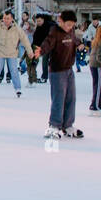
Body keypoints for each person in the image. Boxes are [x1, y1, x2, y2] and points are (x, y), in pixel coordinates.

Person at [34, 9, 82, 139]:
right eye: (68, 25)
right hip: (57, 71)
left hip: (69, 69)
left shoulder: (70, 31)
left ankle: (68, 125)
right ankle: (54, 126)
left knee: (71, 98)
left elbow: (73, 39)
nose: (70, 28)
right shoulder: (54, 31)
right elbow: (48, 42)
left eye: (72, 25)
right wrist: (41, 50)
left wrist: (79, 44)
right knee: (58, 99)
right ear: (60, 21)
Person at [0, 10, 31, 97]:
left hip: (12, 52)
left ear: (12, 19)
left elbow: (25, 40)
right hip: (0, 52)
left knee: (14, 70)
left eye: (8, 18)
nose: (5, 20)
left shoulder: (17, 28)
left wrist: (30, 51)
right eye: (4, 18)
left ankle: (17, 88)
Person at [87, 22, 101, 112]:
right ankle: (95, 104)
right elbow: (99, 56)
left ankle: (99, 102)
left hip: (95, 65)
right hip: (97, 65)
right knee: (99, 85)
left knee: (100, 84)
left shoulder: (98, 41)